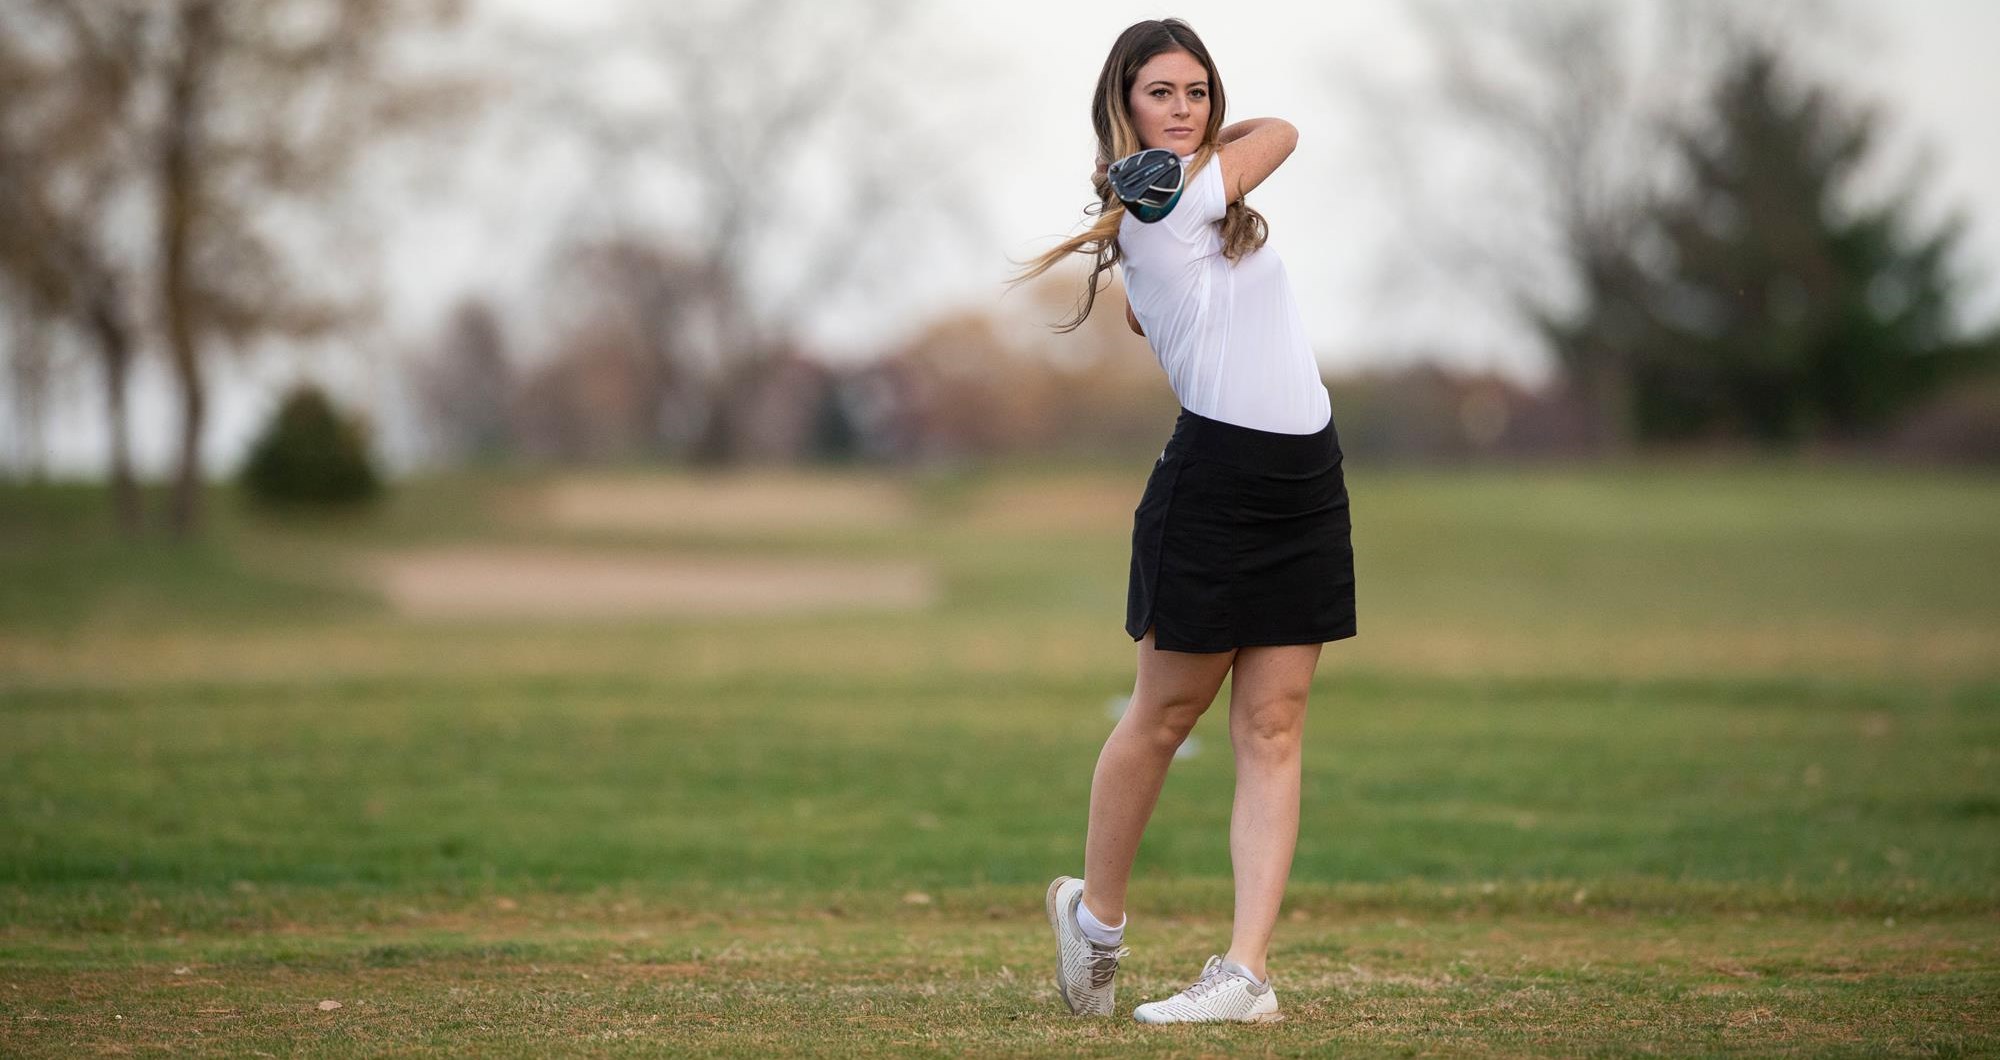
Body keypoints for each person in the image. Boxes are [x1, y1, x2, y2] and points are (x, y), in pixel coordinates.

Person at [1007, 17, 1356, 1025]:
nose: (1184, 109)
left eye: (1197, 93)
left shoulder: (1194, 200)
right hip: (1214, 485)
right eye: (1160, 91)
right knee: (1163, 715)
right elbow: (1281, 130)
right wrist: (1185, 155)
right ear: (1120, 105)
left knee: (1274, 724)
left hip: (1305, 483)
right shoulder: (1156, 199)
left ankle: (1244, 974)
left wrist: (1197, 155)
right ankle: (1095, 923)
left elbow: (1238, 175)